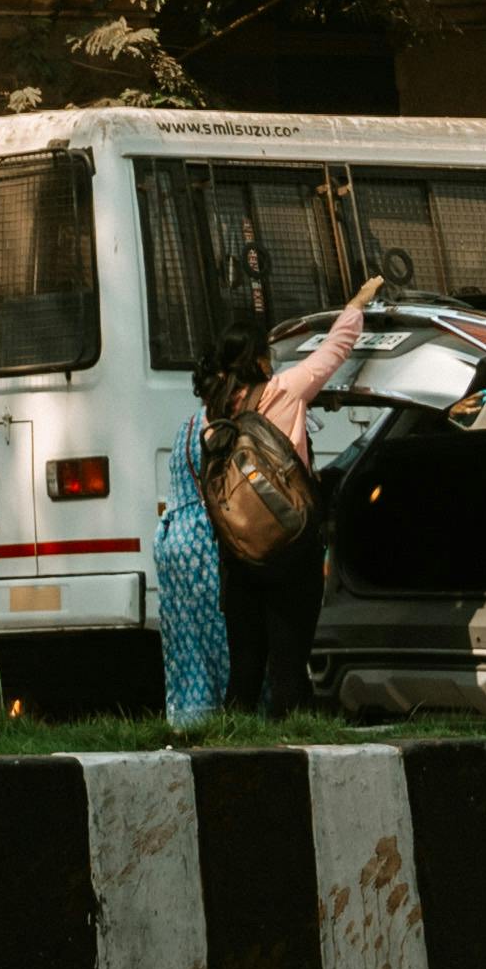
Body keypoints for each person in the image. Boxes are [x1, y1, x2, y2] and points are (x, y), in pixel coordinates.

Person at [178, 273, 387, 720]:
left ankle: (232, 754)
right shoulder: (284, 391)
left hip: (238, 558)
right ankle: (288, 753)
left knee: (245, 671)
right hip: (291, 553)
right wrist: (356, 304)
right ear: (258, 360)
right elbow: (335, 350)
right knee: (289, 667)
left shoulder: (212, 417)